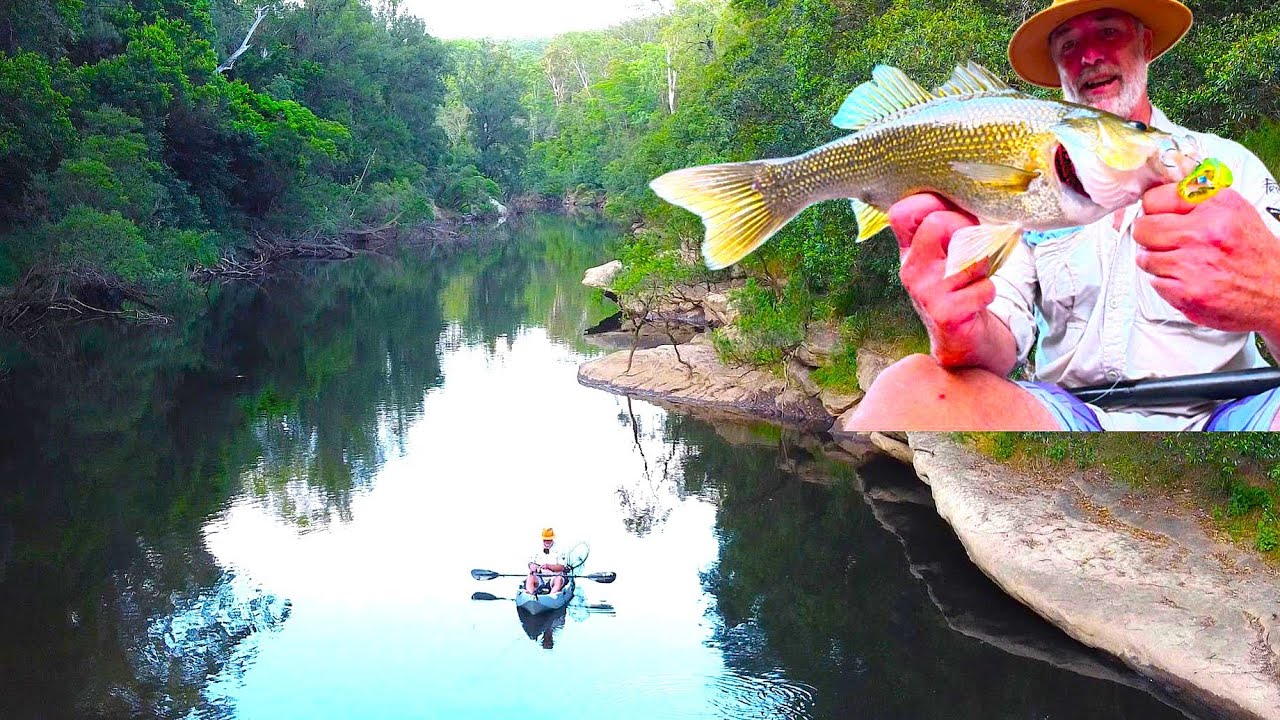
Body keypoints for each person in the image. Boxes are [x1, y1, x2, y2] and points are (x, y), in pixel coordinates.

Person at [845, 0, 1280, 432]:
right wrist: (955, 323)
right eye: (1069, 44)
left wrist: (1270, 292)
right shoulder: (1025, 182)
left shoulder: (1230, 167)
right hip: (1069, 416)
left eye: (1108, 32)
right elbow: (997, 349)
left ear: (1145, 43)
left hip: (1231, 413)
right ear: (1057, 67)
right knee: (904, 391)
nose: (1089, 55)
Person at [525, 527, 569, 596]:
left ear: (552, 539)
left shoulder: (560, 549)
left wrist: (549, 566)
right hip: (540, 576)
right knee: (530, 578)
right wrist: (531, 566)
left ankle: (551, 596)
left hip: (554, 577)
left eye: (549, 539)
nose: (547, 541)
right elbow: (530, 562)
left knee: (558, 580)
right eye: (545, 539)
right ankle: (532, 595)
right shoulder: (536, 548)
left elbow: (561, 567)